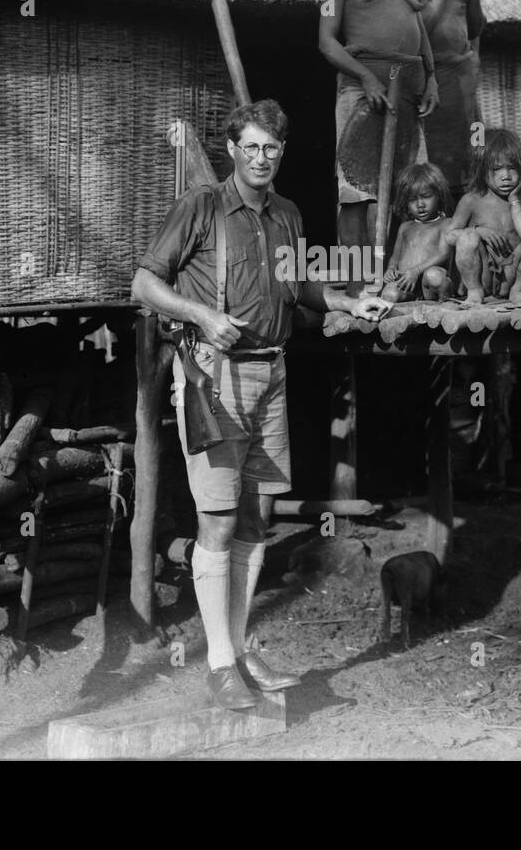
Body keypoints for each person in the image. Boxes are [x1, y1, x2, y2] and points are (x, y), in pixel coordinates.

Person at [131, 100, 390, 710]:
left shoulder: (289, 216)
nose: (261, 158)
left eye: (271, 148)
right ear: (232, 150)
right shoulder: (201, 207)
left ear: (281, 152)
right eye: (251, 147)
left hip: (271, 375)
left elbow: (296, 286)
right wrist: (201, 314)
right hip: (214, 379)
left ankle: (241, 651)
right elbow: (144, 283)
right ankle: (220, 666)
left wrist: (348, 303)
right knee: (217, 522)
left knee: (257, 519)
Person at [318, 0, 440, 291]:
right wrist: (365, 78)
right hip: (361, 93)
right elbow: (326, 42)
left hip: (403, 93)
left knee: (406, 188)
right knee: (356, 192)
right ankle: (358, 285)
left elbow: (418, 32)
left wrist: (432, 77)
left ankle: (395, 280)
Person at [400, 0, 485, 202]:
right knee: (438, 167)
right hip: (433, 82)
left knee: (473, 161)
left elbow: (474, 27)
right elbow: (416, 30)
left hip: (464, 80)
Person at [445, 128, 521, 305]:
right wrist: (477, 231)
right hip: (485, 274)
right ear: (483, 170)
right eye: (497, 169)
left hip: (513, 273)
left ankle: (518, 291)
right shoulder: (472, 200)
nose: (506, 176)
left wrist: (514, 201)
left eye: (512, 169)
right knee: (467, 237)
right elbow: (450, 236)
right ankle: (474, 292)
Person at [380, 162, 456, 303]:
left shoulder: (446, 223)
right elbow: (395, 258)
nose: (420, 205)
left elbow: (444, 254)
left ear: (438, 195)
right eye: (412, 199)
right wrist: (391, 268)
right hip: (407, 284)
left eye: (426, 196)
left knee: (434, 276)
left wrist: (416, 271)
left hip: (430, 284)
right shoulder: (405, 227)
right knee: (389, 293)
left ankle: (443, 304)